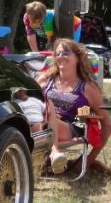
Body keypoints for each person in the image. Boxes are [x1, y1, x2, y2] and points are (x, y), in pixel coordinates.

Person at [39, 38, 110, 174]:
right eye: (58, 54)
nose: (61, 56)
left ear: (78, 58)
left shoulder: (87, 88)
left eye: (66, 53)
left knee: (48, 106)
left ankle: (53, 153)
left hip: (69, 128)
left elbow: (106, 122)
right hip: (41, 125)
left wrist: (89, 159)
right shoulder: (45, 80)